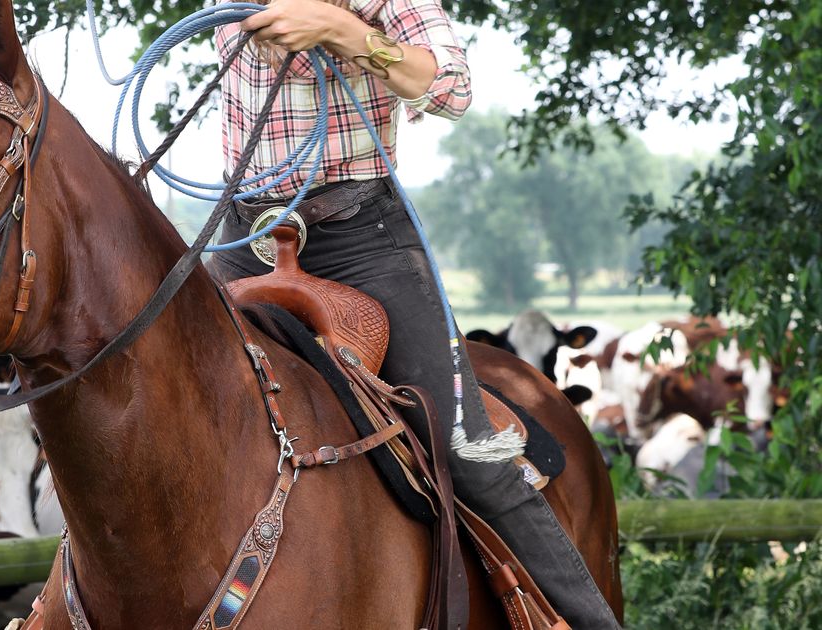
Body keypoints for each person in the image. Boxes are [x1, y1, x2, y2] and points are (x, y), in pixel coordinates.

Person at [206, 0, 621, 627]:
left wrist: (343, 31)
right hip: (244, 235)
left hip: (360, 237)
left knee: (467, 449)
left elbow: (451, 90)